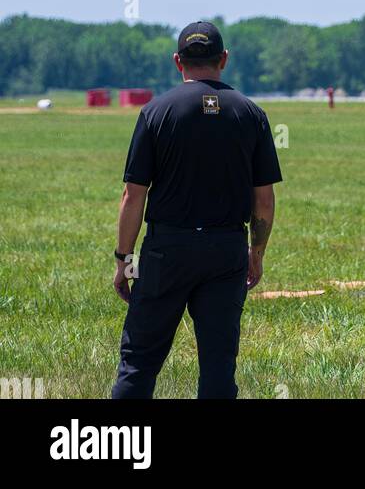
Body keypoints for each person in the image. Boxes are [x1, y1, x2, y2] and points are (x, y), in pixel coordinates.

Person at [111, 20, 283, 400]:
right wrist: (257, 253)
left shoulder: (155, 112)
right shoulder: (252, 114)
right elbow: (265, 199)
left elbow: (132, 195)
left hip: (166, 250)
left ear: (177, 61)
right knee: (219, 365)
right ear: (224, 59)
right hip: (226, 250)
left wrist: (124, 258)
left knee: (139, 360)